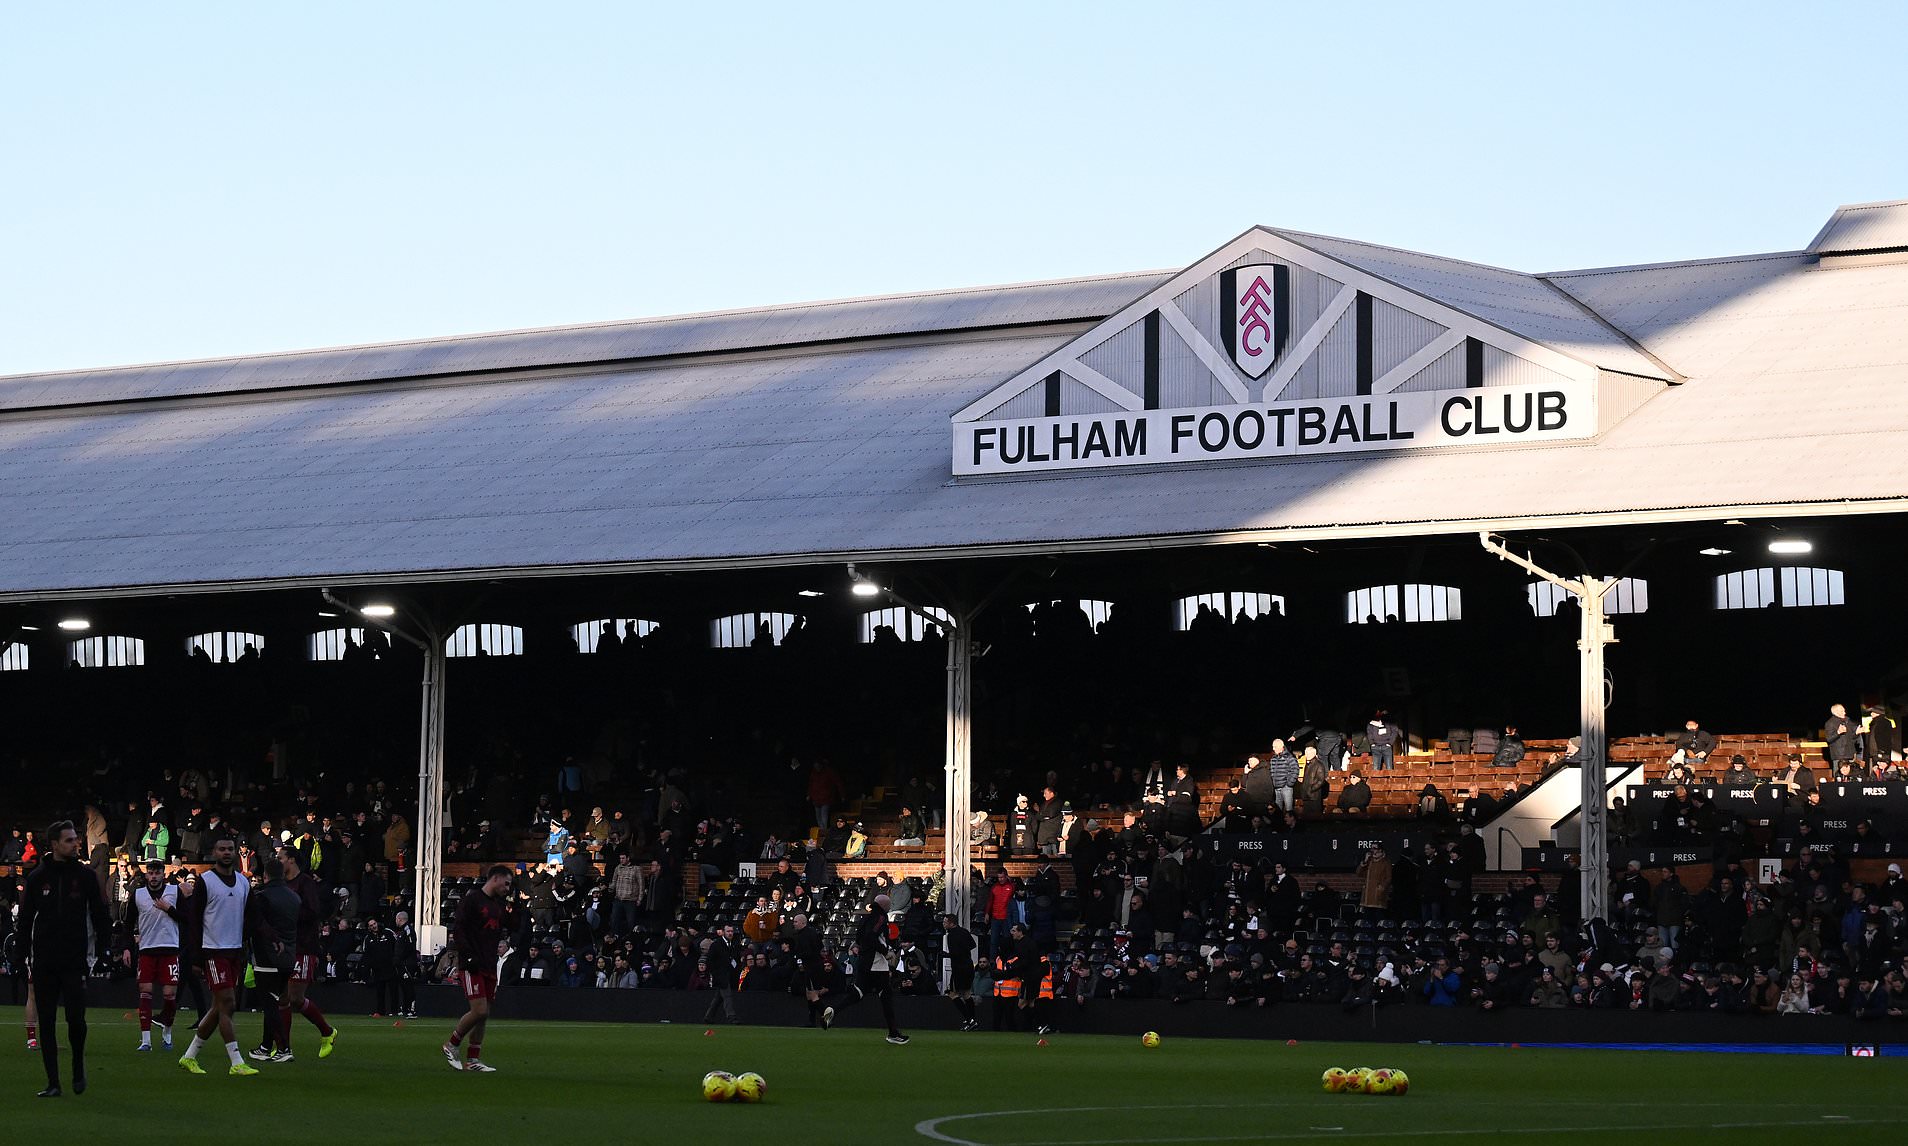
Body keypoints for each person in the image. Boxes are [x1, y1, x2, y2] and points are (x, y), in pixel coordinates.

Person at [19, 820, 111, 1097]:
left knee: (76, 1019)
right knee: (46, 1020)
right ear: (55, 844)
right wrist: (21, 954)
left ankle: (77, 1068)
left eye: (75, 839)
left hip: (74, 959)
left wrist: (106, 949)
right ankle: (53, 1082)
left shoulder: (84, 877)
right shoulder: (37, 877)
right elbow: (25, 921)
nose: (76, 844)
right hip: (45, 959)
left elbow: (99, 914)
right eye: (69, 840)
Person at [177, 835, 260, 1077]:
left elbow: (253, 916)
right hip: (213, 952)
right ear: (214, 852)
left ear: (235, 853)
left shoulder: (244, 884)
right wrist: (195, 958)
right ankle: (236, 1061)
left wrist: (256, 937)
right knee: (228, 1004)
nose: (226, 852)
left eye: (230, 849)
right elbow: (194, 920)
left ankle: (189, 1056)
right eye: (222, 848)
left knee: (218, 1007)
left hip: (234, 951)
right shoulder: (206, 881)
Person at [444, 865, 514, 1072]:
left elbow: (514, 925)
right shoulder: (472, 899)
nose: (508, 888)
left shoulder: (499, 905)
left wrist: (515, 907)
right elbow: (459, 929)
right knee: (480, 1009)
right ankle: (451, 1044)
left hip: (489, 963)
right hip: (472, 963)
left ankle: (473, 1060)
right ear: (496, 878)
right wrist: (468, 955)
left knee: (484, 1014)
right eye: (506, 883)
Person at [820, 893, 909, 1044]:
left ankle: (834, 1010)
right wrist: (885, 951)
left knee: (858, 993)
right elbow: (870, 936)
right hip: (876, 964)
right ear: (884, 906)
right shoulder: (880, 918)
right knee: (886, 997)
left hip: (864, 962)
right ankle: (893, 1033)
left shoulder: (866, 918)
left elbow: (861, 937)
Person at [274, 847, 337, 1059]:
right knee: (284, 998)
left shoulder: (306, 883)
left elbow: (312, 912)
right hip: (284, 947)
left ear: (291, 860)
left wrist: (286, 912)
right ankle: (284, 1046)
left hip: (303, 947)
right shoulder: (281, 884)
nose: (278, 861)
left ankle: (324, 1032)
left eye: (280, 857)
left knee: (293, 998)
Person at [246, 857, 301, 1063]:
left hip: (267, 956)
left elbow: (255, 924)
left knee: (269, 1004)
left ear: (265, 876)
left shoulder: (262, 896)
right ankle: (265, 1046)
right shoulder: (294, 897)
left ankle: (284, 1048)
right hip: (288, 957)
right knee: (274, 1001)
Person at [131, 859, 183, 1052]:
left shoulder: (174, 892)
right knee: (145, 991)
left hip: (169, 948)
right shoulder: (138, 894)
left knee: (170, 996)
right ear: (146, 875)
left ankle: (167, 1033)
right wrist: (128, 947)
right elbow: (128, 921)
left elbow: (186, 919)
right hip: (147, 949)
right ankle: (146, 1040)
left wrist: (169, 909)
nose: (153, 877)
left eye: (157, 873)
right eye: (150, 873)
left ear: (163, 874)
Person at [940, 912, 979, 1031]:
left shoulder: (951, 936)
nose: (943, 924)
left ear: (951, 923)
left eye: (945, 922)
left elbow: (955, 953)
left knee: (952, 993)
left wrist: (947, 955)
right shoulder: (964, 931)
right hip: (968, 965)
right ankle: (973, 1020)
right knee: (966, 993)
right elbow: (972, 945)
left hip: (959, 968)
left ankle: (969, 1019)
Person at [700, 923, 741, 1024]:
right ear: (723, 932)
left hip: (729, 975)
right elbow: (710, 961)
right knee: (727, 996)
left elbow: (736, 959)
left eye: (731, 931)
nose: (730, 933)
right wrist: (714, 973)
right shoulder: (716, 944)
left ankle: (708, 1017)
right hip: (721, 975)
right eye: (728, 931)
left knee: (718, 998)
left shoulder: (734, 944)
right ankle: (731, 1016)